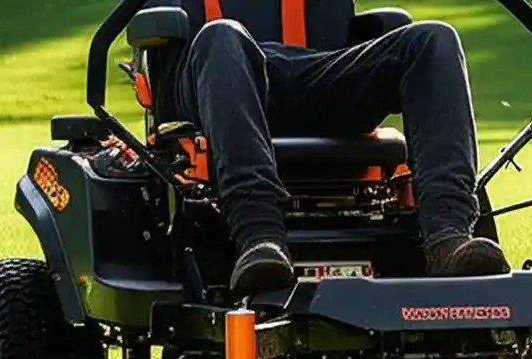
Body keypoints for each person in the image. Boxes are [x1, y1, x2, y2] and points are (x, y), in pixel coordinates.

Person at [150, 0, 511, 295]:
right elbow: (160, 30)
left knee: (435, 38)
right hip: (213, 72)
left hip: (318, 72)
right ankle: (259, 237)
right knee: (222, 35)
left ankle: (448, 238)